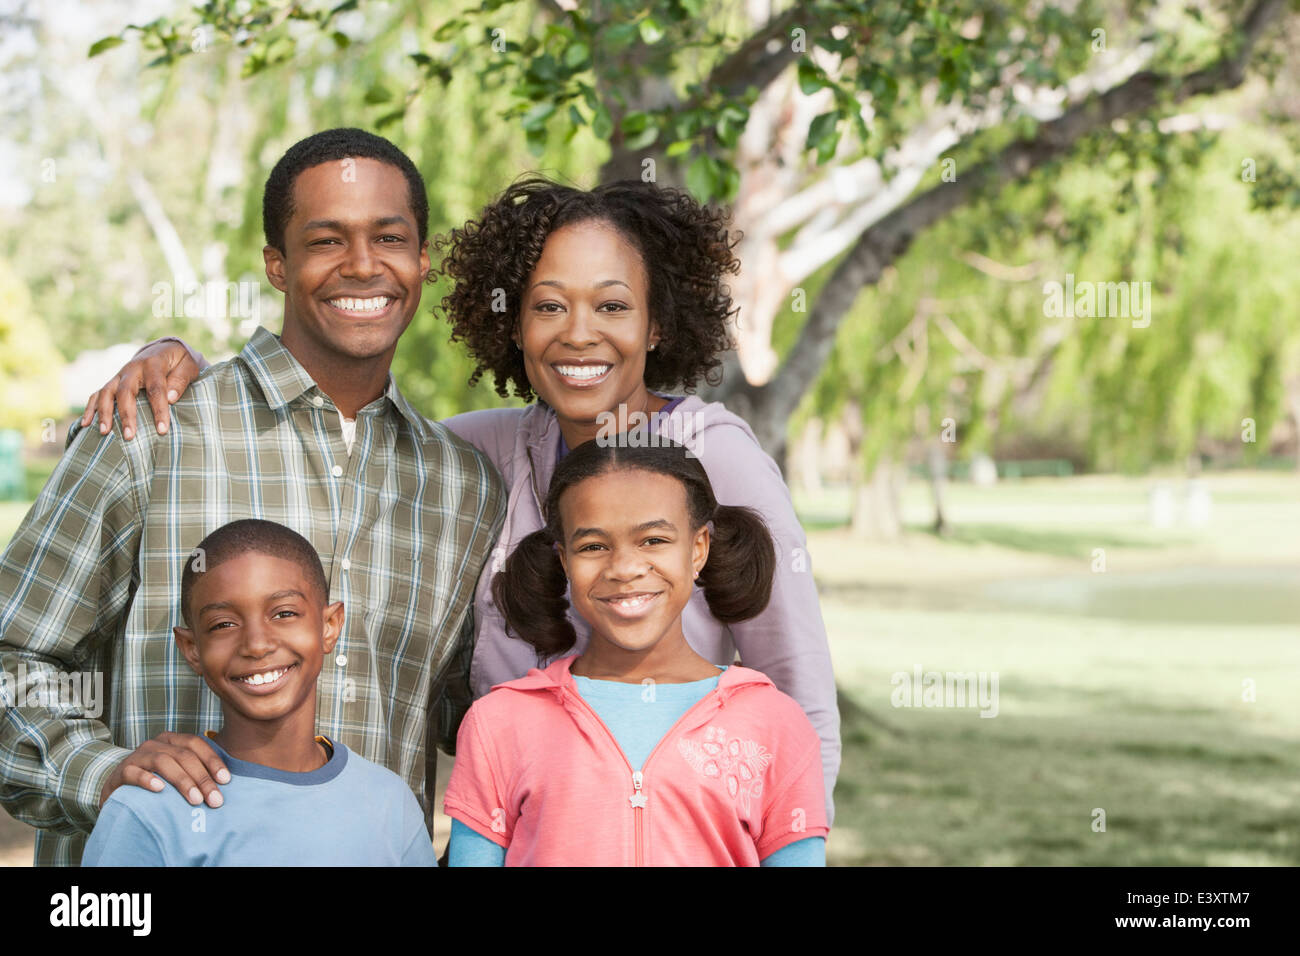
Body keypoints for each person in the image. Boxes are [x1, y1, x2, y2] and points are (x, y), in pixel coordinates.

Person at [76, 177, 840, 823]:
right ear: (512, 321)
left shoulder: (714, 457)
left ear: (656, 323)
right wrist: (181, 366)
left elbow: (801, 706)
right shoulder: (479, 453)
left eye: (611, 307)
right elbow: (336, 435)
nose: (580, 335)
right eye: (548, 306)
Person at [0, 128, 505, 866]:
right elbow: (15, 649)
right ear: (277, 264)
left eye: (389, 238)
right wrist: (101, 772)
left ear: (422, 260)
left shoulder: (462, 485)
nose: (363, 266)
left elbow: (478, 715)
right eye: (327, 241)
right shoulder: (153, 428)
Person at [444, 439, 827, 866]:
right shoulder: (499, 722)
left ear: (698, 548)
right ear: (565, 559)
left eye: (653, 540)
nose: (624, 568)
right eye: (593, 546)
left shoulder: (774, 724)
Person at [82, 520, 436, 866]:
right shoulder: (150, 809)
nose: (257, 644)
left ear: (329, 626)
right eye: (224, 624)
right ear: (191, 649)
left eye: (284, 613)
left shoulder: (389, 802)